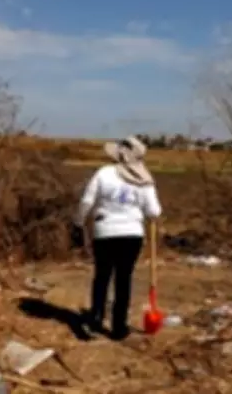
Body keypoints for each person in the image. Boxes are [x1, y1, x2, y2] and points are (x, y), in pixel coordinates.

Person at [73, 135, 162, 341]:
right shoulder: (144, 179)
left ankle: (95, 319)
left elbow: (87, 200)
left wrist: (78, 222)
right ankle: (118, 327)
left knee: (102, 276)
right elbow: (154, 211)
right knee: (124, 279)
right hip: (132, 234)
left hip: (105, 231)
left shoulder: (104, 173)